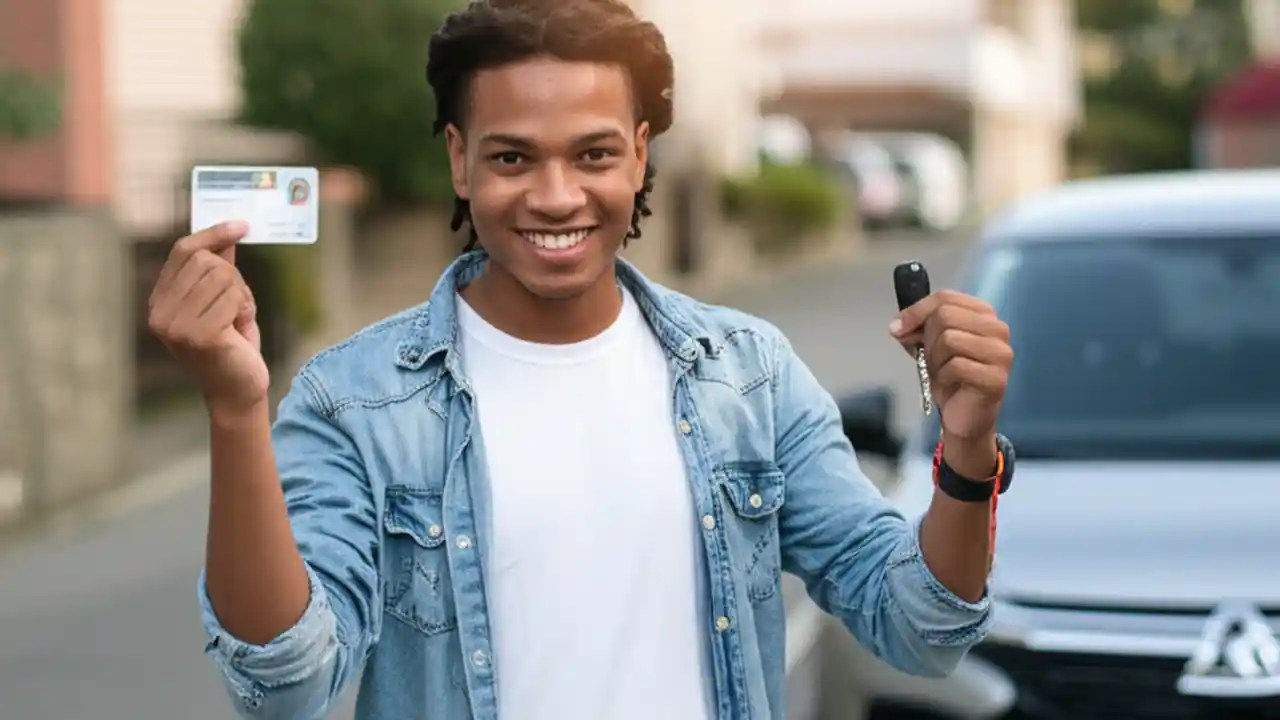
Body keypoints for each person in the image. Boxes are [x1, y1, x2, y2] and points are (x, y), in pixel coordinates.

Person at [146, 1, 1016, 718]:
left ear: (640, 154)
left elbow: (922, 629)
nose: (557, 196)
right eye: (513, 157)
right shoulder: (353, 401)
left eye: (594, 154)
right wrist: (234, 411)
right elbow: (285, 686)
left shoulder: (749, 374)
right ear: (459, 159)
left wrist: (968, 457)